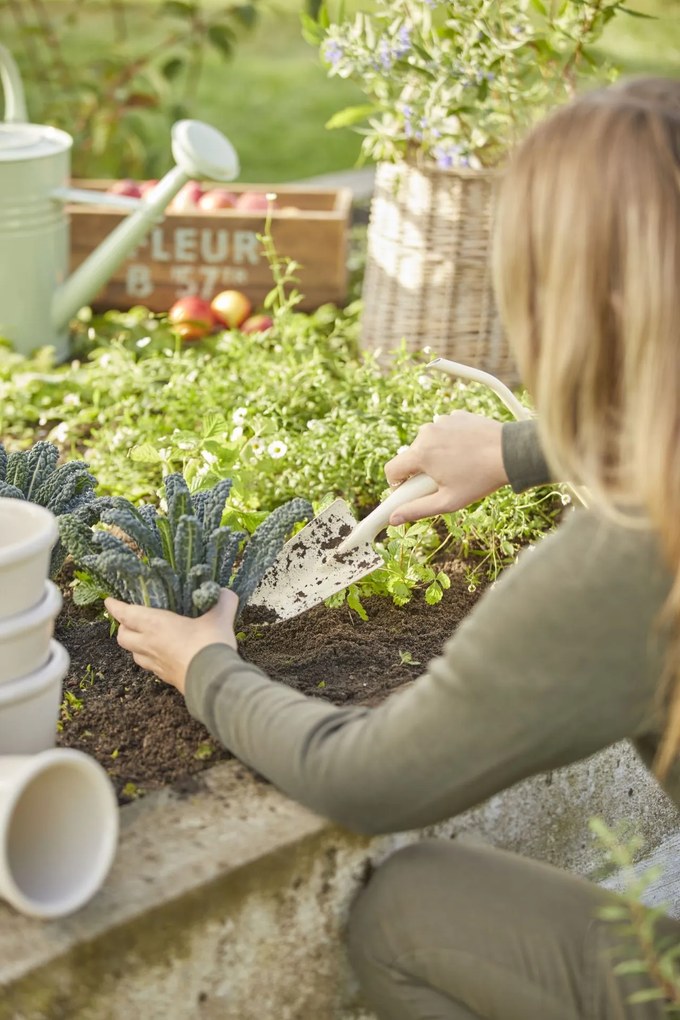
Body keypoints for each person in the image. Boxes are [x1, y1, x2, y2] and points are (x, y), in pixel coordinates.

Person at [105, 76, 680, 1019]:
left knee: (407, 912)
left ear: (587, 301)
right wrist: (516, 449)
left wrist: (205, 665)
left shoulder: (632, 562)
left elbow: (365, 778)